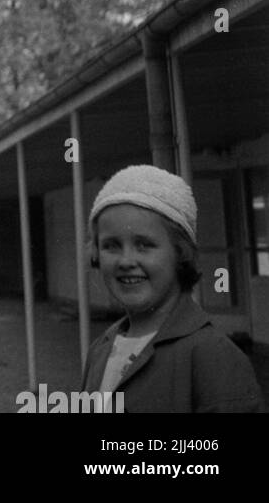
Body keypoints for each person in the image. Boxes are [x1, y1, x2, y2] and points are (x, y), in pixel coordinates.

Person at [80, 164, 264, 412]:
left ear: (180, 253)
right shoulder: (101, 349)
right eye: (111, 245)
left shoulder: (213, 356)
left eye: (144, 244)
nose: (126, 261)